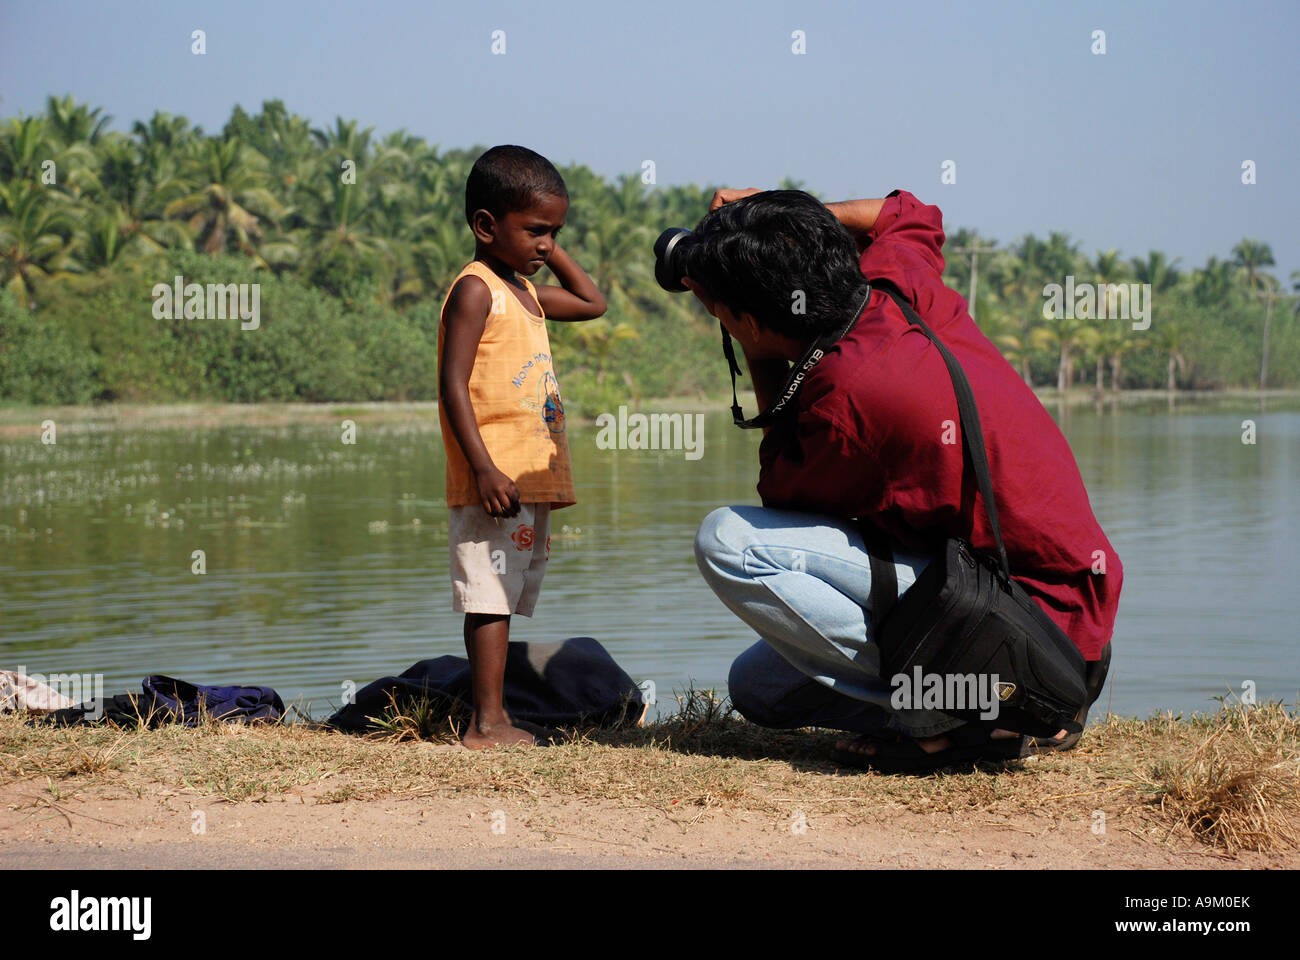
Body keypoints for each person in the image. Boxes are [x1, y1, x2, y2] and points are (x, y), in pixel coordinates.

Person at [684, 187, 1122, 772]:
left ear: (752, 320)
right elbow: (911, 213)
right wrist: (774, 217)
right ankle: (1009, 714)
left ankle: (959, 716)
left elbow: (779, 495)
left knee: (727, 541)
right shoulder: (895, 284)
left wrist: (759, 352)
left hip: (1032, 625)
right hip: (1065, 615)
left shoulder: (843, 401)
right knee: (757, 688)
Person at [438, 145, 605, 749]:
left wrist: (545, 245)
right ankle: (486, 723)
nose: (546, 244)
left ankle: (497, 715)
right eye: (535, 230)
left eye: (555, 232)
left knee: (505, 594)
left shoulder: (525, 294)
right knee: (488, 596)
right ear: (486, 226)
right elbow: (452, 382)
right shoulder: (476, 290)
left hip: (523, 478)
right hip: (495, 477)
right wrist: (482, 468)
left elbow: (592, 303)